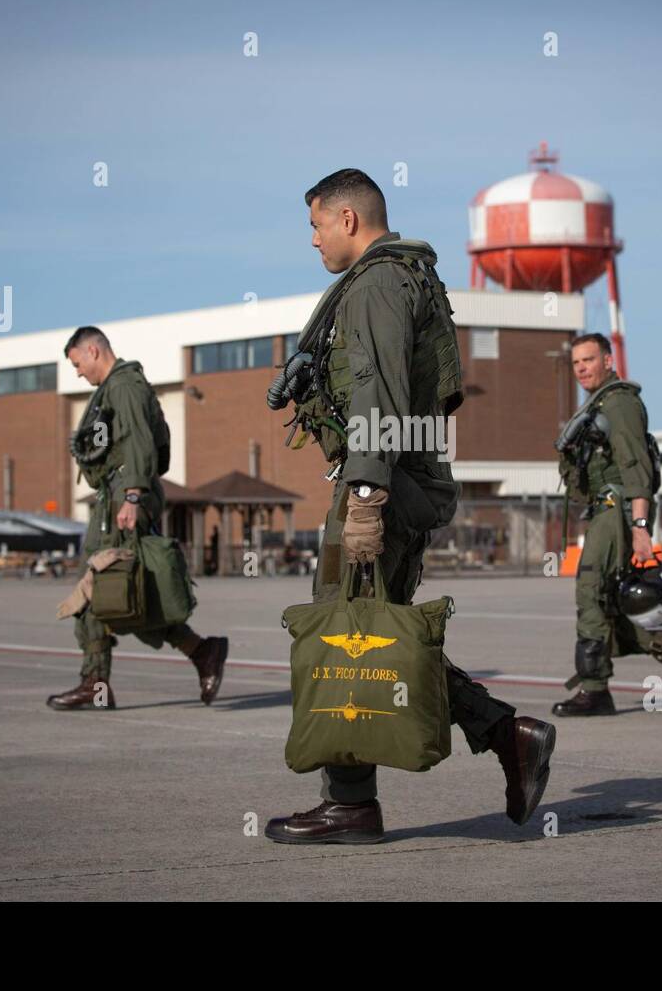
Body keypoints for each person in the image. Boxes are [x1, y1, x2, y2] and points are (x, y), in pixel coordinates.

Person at [263, 169, 556, 843]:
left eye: (315, 225)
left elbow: (379, 391)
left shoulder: (375, 286)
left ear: (347, 219)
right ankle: (504, 736)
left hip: (381, 481)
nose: (311, 241)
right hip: (394, 474)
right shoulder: (407, 278)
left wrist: (365, 493)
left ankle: (354, 802)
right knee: (375, 630)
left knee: (345, 632)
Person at [46, 326, 229, 710]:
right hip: (114, 497)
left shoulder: (124, 386)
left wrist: (132, 496)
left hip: (123, 498)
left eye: (78, 364)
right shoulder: (115, 388)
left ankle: (96, 684)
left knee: (105, 585)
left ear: (93, 351)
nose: (78, 373)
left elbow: (141, 442)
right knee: (120, 590)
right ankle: (197, 653)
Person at [551, 333, 662, 717]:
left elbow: (636, 468)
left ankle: (595, 689)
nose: (582, 368)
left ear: (608, 360)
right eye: (576, 363)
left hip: (620, 510)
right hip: (607, 510)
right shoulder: (598, 403)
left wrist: (640, 527)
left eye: (589, 360)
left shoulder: (619, 403)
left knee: (590, 591)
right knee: (610, 600)